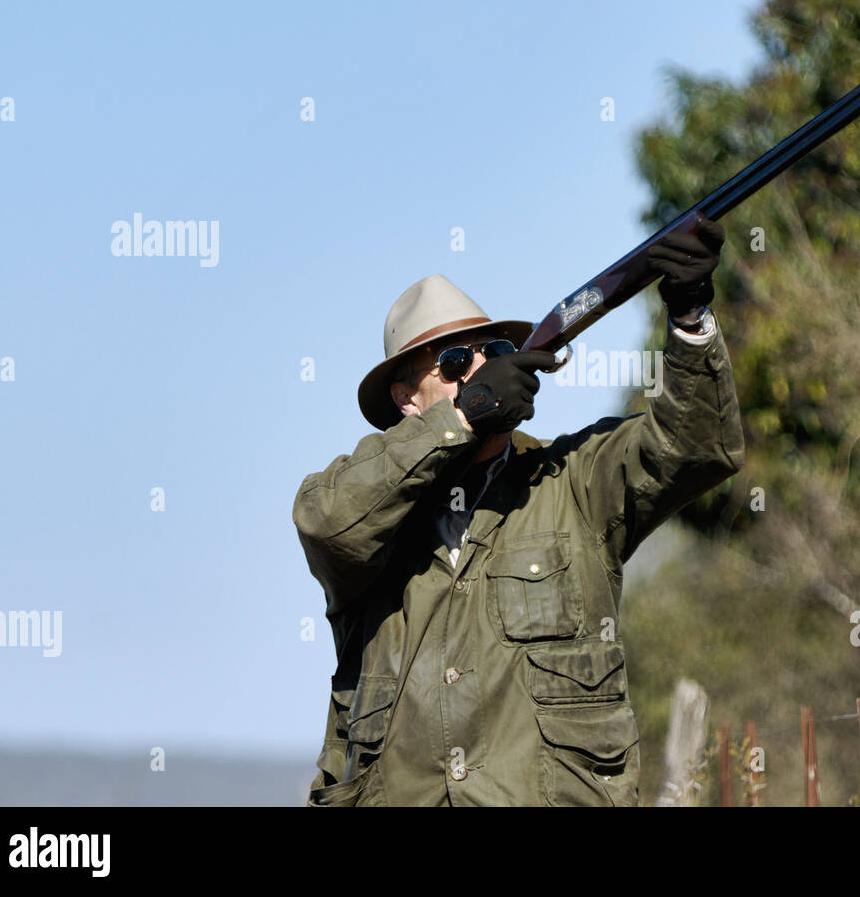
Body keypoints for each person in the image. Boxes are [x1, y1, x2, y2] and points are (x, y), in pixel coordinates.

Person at [293, 218, 744, 805]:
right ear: (407, 399)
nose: (481, 367)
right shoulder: (366, 516)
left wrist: (689, 317)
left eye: (496, 352)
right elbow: (326, 521)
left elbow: (694, 446)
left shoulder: (573, 481)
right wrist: (460, 421)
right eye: (455, 363)